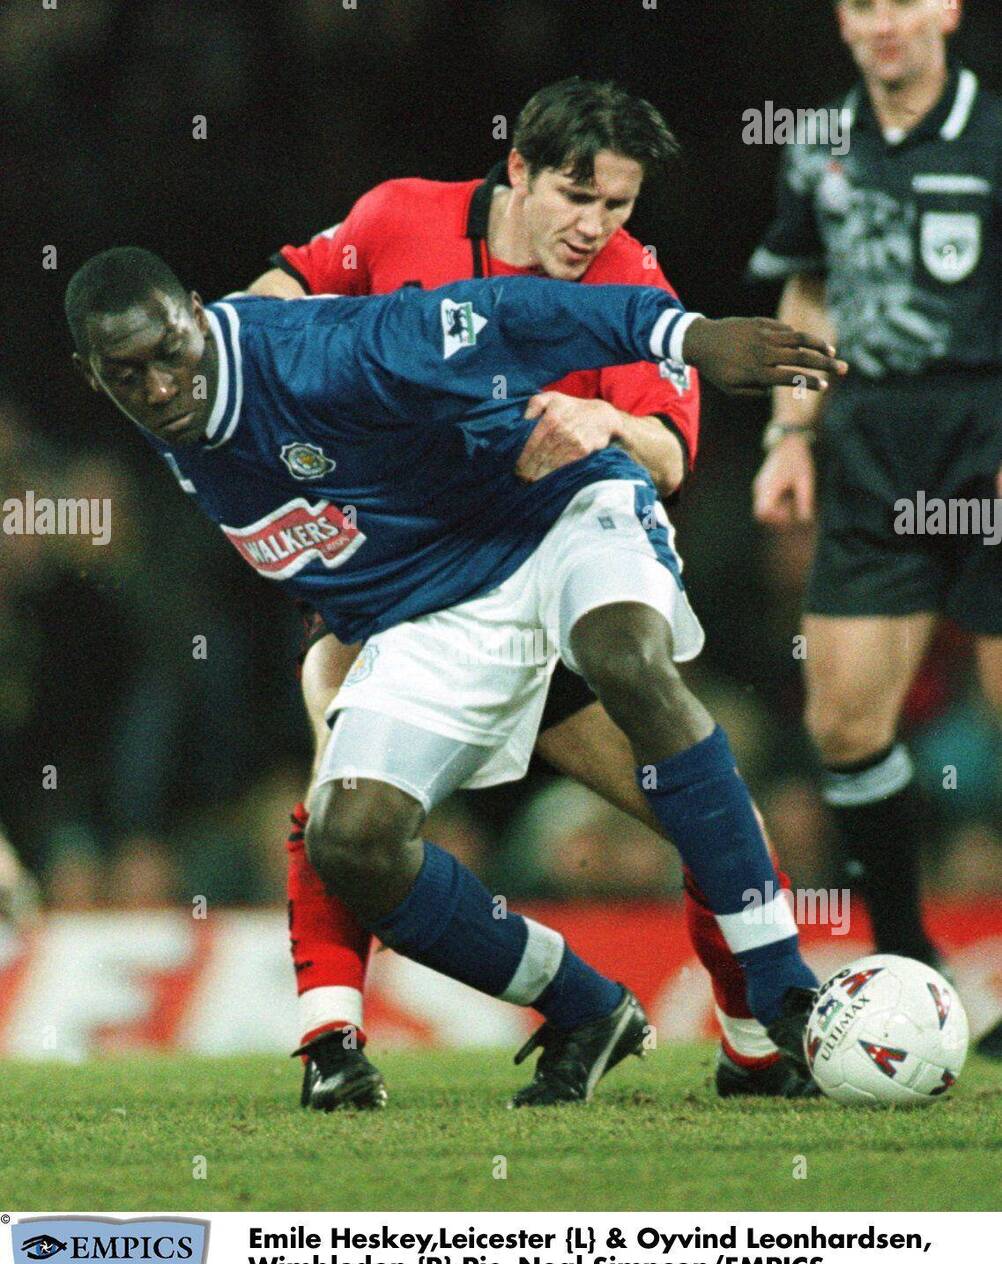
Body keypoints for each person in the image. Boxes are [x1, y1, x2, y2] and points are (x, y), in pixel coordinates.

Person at [65, 247, 844, 1105]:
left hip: (550, 511)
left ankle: (784, 992)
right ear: (90, 376)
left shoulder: (315, 353)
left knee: (625, 655)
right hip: (434, 606)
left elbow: (506, 314)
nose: (161, 388)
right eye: (128, 375)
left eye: (170, 355)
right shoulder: (175, 419)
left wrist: (689, 336)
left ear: (196, 312)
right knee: (351, 839)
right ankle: (586, 1009)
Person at [251, 77, 823, 1107]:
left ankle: (752, 1040)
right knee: (342, 784)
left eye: (618, 205)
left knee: (716, 820)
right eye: (576, 196)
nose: (594, 226)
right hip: (423, 587)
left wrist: (612, 424)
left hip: (556, 591)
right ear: (517, 167)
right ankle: (332, 1037)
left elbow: (671, 453)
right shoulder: (398, 218)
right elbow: (267, 308)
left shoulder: (630, 278)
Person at [748, 0, 1002, 1057]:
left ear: (947, 9)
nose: (884, 22)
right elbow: (808, 288)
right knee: (846, 726)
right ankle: (910, 964)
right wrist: (788, 432)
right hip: (871, 450)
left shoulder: (994, 133)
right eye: (862, 5)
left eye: (904, 0)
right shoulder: (818, 145)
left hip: (988, 435)